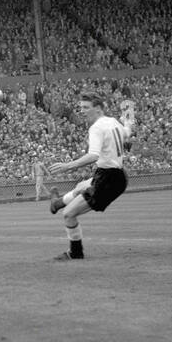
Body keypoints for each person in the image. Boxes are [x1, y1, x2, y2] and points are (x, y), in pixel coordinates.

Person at [46, 92, 130, 260]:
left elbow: (93, 156)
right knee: (80, 187)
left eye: (86, 107)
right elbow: (126, 134)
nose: (82, 111)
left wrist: (67, 166)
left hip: (109, 179)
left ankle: (76, 253)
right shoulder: (114, 122)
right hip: (113, 174)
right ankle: (56, 203)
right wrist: (127, 123)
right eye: (81, 108)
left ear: (98, 108)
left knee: (68, 214)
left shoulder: (97, 127)